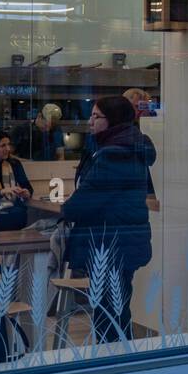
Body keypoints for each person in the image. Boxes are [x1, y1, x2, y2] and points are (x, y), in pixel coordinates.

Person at [61, 95, 156, 342]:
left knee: (109, 313)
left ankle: (114, 365)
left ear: (112, 120)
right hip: (120, 241)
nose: (90, 121)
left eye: (96, 116)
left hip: (111, 242)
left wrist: (67, 209)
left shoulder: (115, 154)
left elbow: (88, 198)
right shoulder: (118, 148)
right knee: (115, 309)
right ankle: (120, 363)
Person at [0, 133, 33, 231]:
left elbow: (28, 188)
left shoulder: (15, 164)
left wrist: (26, 192)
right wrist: (2, 192)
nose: (8, 149)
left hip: (14, 209)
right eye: (3, 146)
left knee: (19, 214)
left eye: (8, 145)